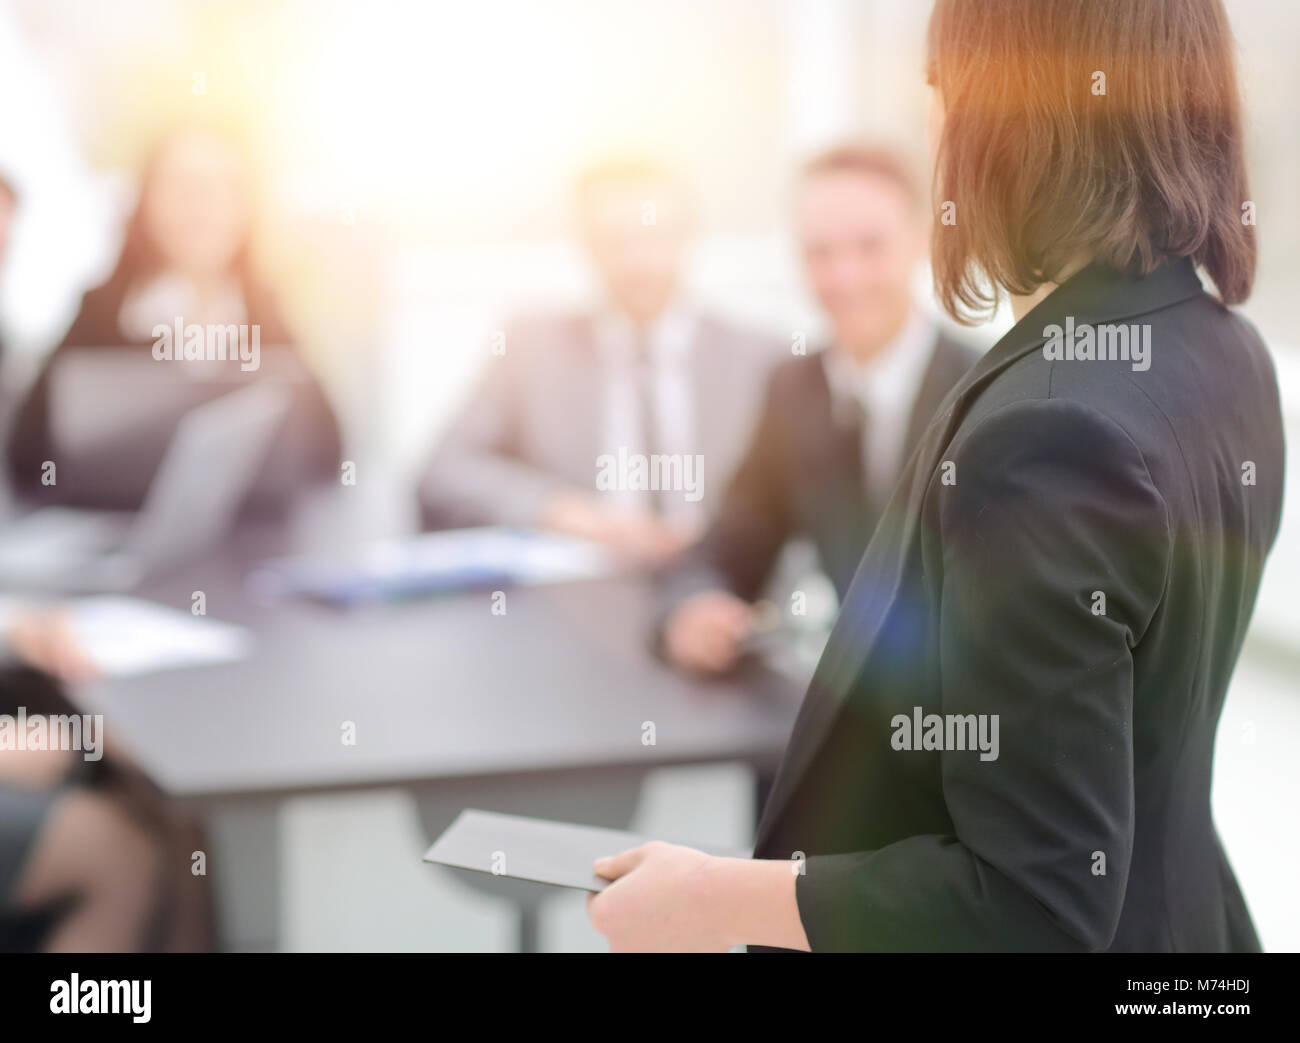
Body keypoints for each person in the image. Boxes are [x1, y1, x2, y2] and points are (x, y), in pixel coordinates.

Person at [588, 0, 1282, 952]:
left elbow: (1032, 905)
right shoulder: (1222, 348)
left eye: (944, 94)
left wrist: (713, 898)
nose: (938, 126)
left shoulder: (1044, 433)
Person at [658, 145, 976, 676]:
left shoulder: (985, 388)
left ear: (922, 240)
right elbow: (737, 536)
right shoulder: (793, 390)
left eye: (870, 247)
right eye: (819, 253)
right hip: (852, 703)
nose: (844, 278)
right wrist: (697, 604)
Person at [417, 158, 780, 566]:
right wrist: (562, 513)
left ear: (688, 237)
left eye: (654, 236)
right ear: (585, 246)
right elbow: (443, 471)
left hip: (719, 586)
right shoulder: (530, 348)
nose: (637, 261)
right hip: (583, 594)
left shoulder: (765, 358)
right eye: (614, 241)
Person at [6, 125, 341, 512]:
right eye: (182, 185)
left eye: (222, 187)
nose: (201, 206)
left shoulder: (266, 313)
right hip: (113, 540)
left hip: (244, 547)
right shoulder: (101, 311)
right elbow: (27, 455)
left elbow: (329, 450)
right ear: (147, 201)